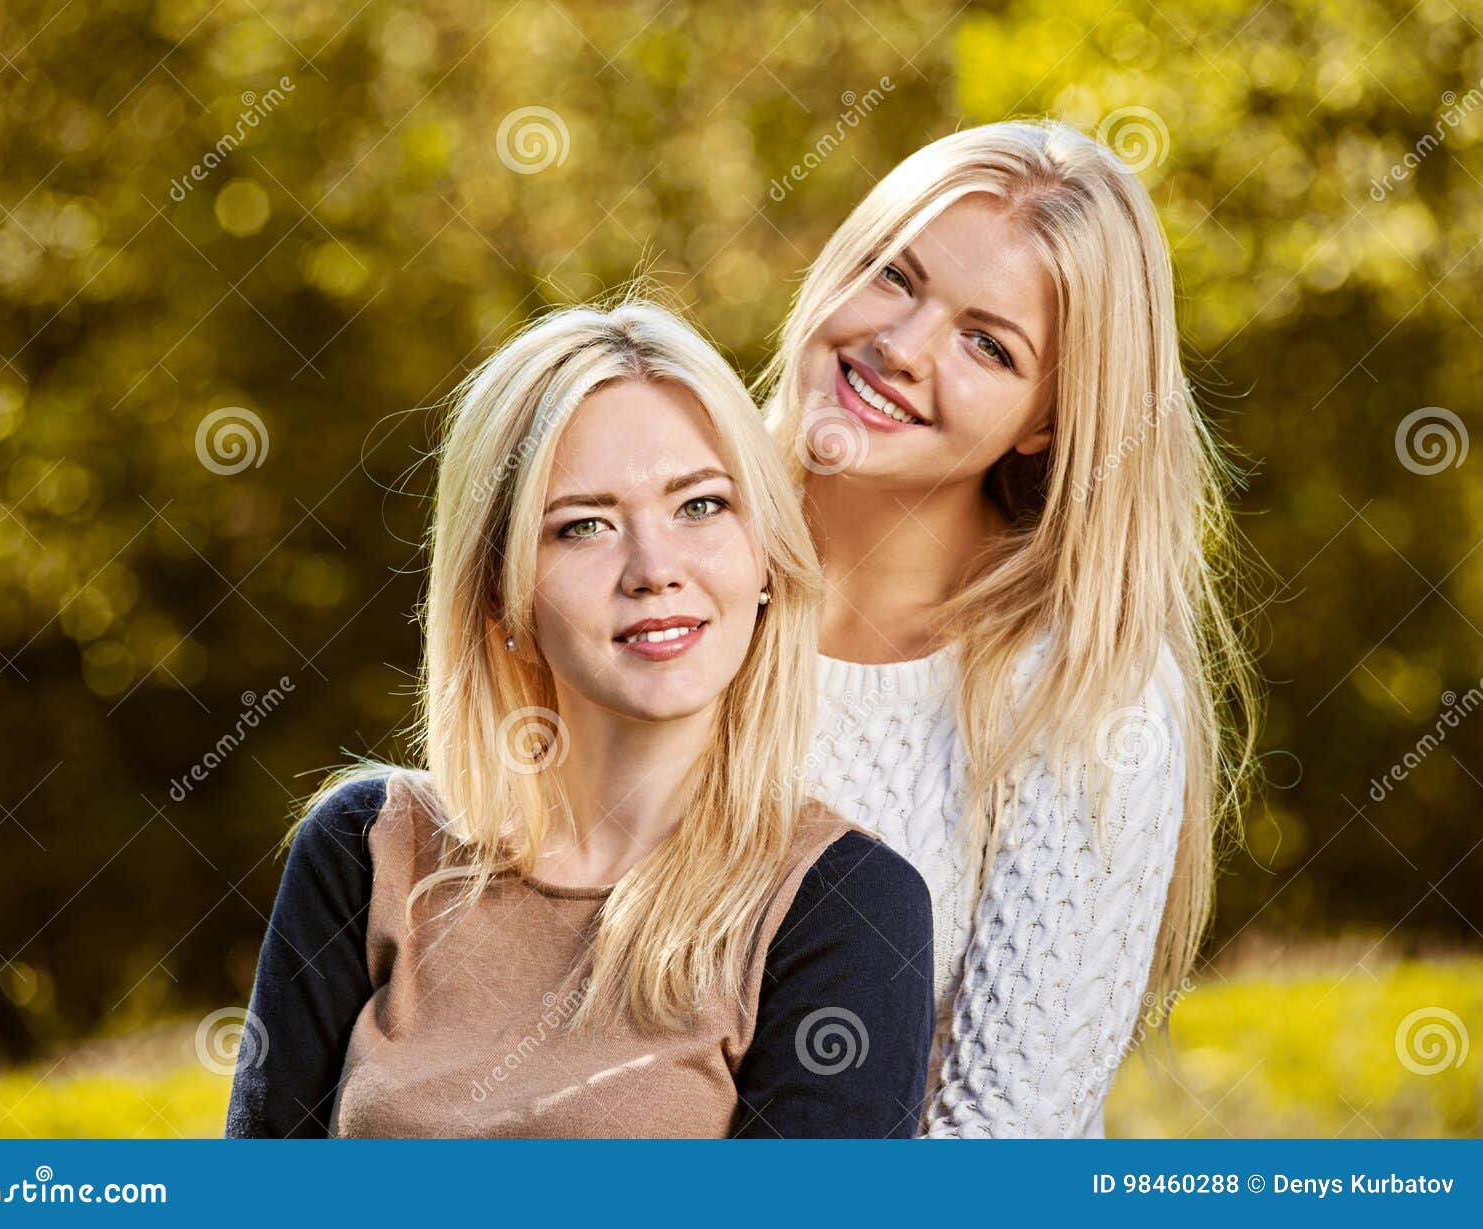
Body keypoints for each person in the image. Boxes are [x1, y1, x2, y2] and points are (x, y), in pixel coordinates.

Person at [225, 298, 935, 1139]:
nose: (654, 568)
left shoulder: (845, 905)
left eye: (700, 505)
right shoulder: (367, 849)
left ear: (767, 557)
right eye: (583, 525)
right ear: (502, 593)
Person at [753, 120, 1260, 1136]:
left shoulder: (1078, 687)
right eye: (893, 277)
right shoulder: (663, 562)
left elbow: (1003, 1146)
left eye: (987, 344)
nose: (900, 348)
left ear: (1045, 418)